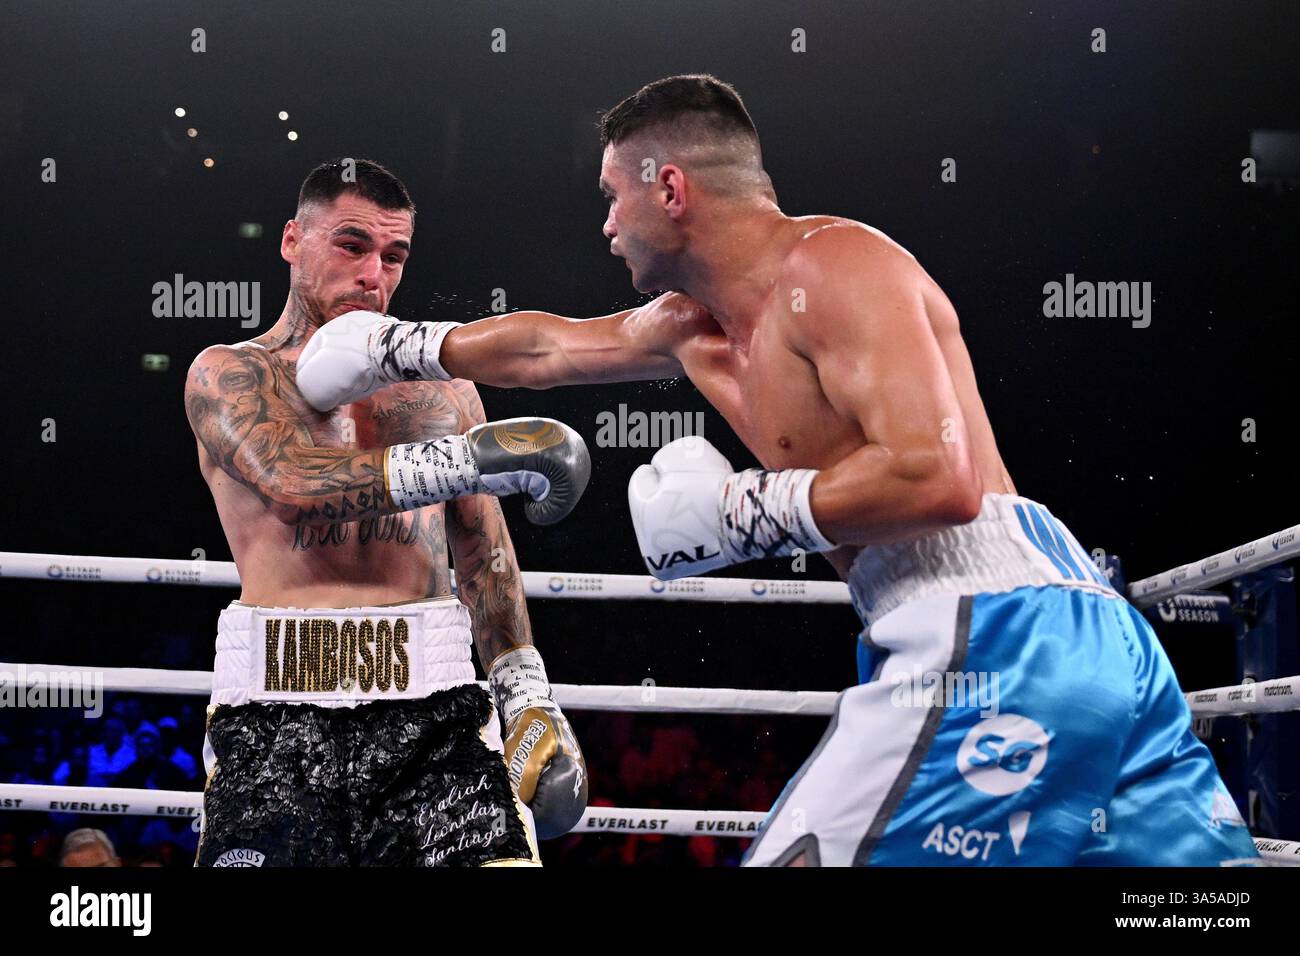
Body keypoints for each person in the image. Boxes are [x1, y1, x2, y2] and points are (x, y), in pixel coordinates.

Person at [297, 77, 1258, 866]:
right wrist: (405, 346)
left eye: (611, 197)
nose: (605, 227)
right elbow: (549, 349)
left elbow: (941, 480)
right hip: (1061, 639)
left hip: (992, 632)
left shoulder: (842, 265)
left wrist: (742, 509)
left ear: (668, 187)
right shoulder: (695, 325)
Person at [184, 159, 589, 867]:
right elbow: (292, 484)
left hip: (434, 710)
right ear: (291, 240)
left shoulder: (445, 392)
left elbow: (484, 555)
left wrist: (526, 694)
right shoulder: (230, 373)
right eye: (351, 245)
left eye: (393, 256)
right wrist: (471, 459)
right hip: (275, 712)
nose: (374, 274)